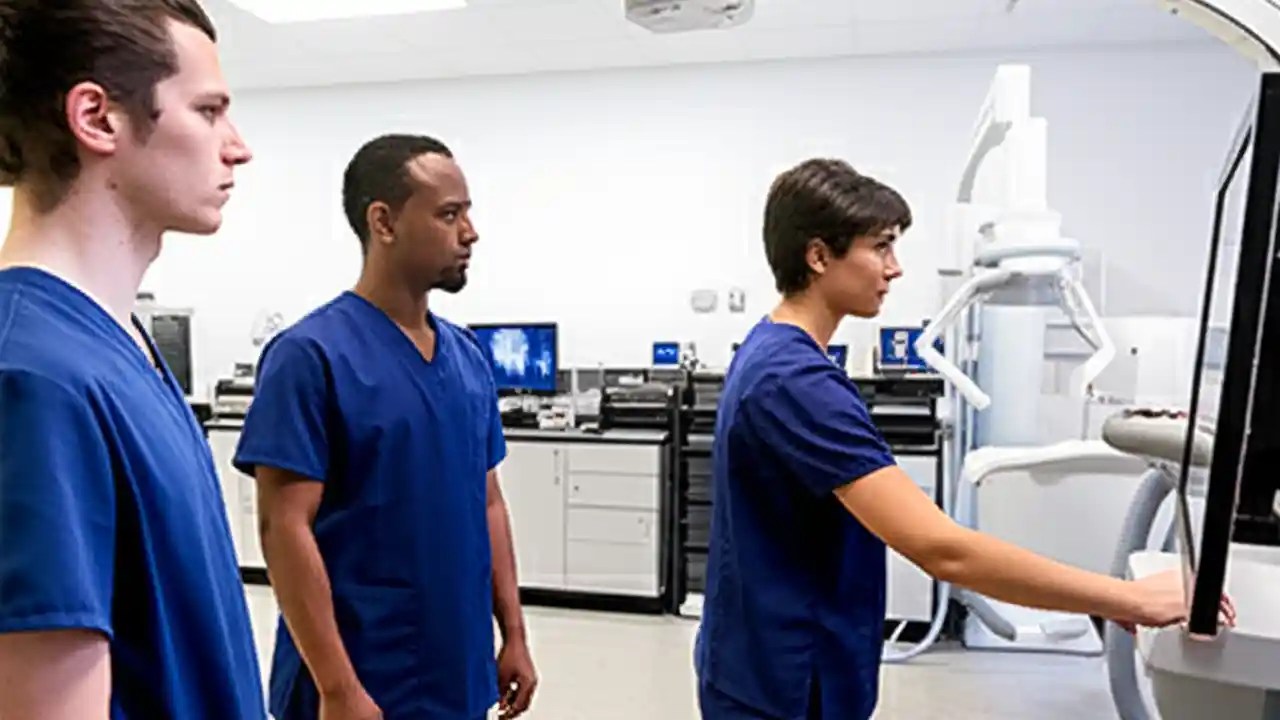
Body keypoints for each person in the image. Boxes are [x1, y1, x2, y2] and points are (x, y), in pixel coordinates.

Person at [693, 158, 1235, 720]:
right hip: (785, 680)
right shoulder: (798, 382)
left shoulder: (768, 349)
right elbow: (942, 549)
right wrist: (1128, 598)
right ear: (818, 255)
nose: (895, 267)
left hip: (756, 657)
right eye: (880, 246)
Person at [0, 1, 261, 718]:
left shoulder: (121, 345)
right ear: (98, 119)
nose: (237, 147)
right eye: (208, 112)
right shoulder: (32, 378)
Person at [233, 134, 537, 720]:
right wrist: (338, 688)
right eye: (449, 214)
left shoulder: (467, 356)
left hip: (458, 669)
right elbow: (283, 527)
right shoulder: (311, 356)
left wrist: (514, 634)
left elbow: (488, 504)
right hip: (358, 680)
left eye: (468, 213)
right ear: (384, 222)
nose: (470, 232)